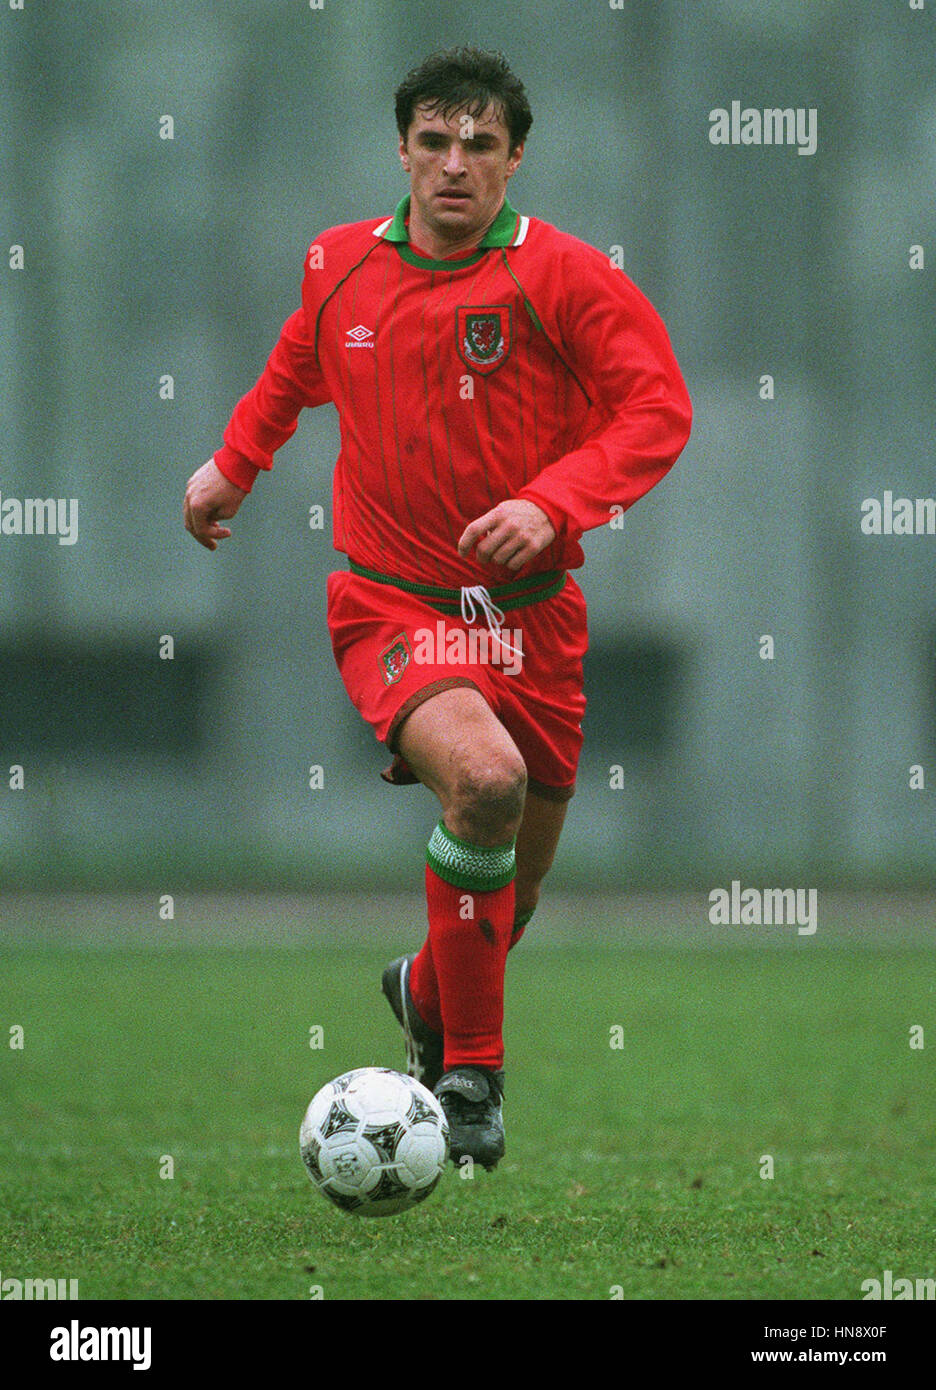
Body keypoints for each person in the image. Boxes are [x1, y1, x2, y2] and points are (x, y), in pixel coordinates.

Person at [183, 46, 692, 1172]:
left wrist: (553, 501)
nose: (454, 163)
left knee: (517, 889)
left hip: (534, 619)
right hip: (393, 600)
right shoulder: (341, 264)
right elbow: (293, 368)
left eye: (479, 144)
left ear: (515, 158)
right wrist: (232, 464)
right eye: (433, 140)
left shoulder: (562, 277)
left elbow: (657, 408)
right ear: (403, 147)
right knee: (488, 783)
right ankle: (471, 1081)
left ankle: (422, 988)